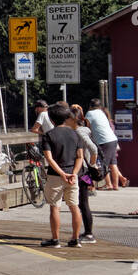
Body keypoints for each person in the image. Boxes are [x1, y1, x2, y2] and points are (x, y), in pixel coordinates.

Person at [39, 102, 83, 248]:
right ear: (66, 117)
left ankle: (55, 239)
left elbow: (49, 158)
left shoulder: (48, 135)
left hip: (55, 175)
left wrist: (62, 173)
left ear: (51, 120)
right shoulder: (75, 134)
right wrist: (73, 173)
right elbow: (80, 157)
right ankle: (75, 239)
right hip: (73, 175)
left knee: (54, 206)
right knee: (74, 206)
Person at [69, 104, 99, 244]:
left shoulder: (80, 132)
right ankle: (87, 232)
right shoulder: (86, 129)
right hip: (85, 172)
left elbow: (93, 149)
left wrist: (91, 164)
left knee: (83, 203)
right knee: (83, 202)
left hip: (83, 171)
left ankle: (88, 234)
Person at [86, 99, 126, 190]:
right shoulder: (101, 113)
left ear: (90, 106)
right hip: (113, 140)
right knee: (112, 163)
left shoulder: (89, 114)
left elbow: (86, 127)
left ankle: (92, 185)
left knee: (101, 164)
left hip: (103, 141)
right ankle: (115, 185)